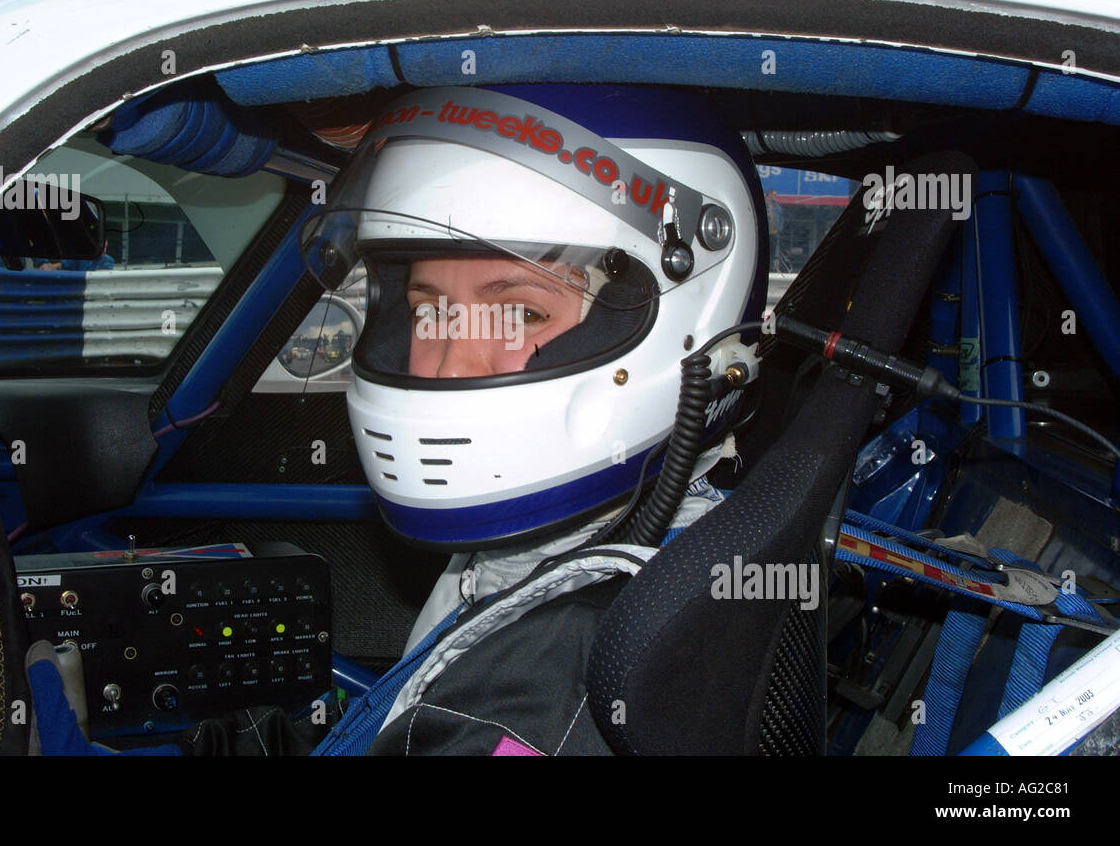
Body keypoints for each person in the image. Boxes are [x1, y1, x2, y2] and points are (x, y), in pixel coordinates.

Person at [301, 83, 770, 754]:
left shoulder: (568, 677)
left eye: (518, 312)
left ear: (684, 316)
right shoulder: (531, 549)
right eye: (429, 309)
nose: (449, 366)